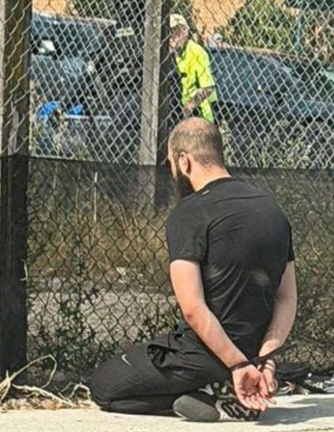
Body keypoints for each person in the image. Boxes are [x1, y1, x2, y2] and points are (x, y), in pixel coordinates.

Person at [89, 118, 298, 422]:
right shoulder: (273, 210)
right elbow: (287, 297)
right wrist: (264, 358)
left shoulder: (189, 212)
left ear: (184, 161)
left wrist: (237, 366)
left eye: (171, 162)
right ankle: (221, 392)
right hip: (253, 351)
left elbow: (193, 308)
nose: (172, 170)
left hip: (204, 354)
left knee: (104, 386)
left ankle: (214, 398)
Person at [169, 14, 218, 124]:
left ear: (185, 31)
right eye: (169, 31)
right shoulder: (167, 55)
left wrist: (189, 106)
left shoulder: (197, 52)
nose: (172, 35)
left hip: (199, 113)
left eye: (176, 31)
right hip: (175, 111)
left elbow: (208, 88)